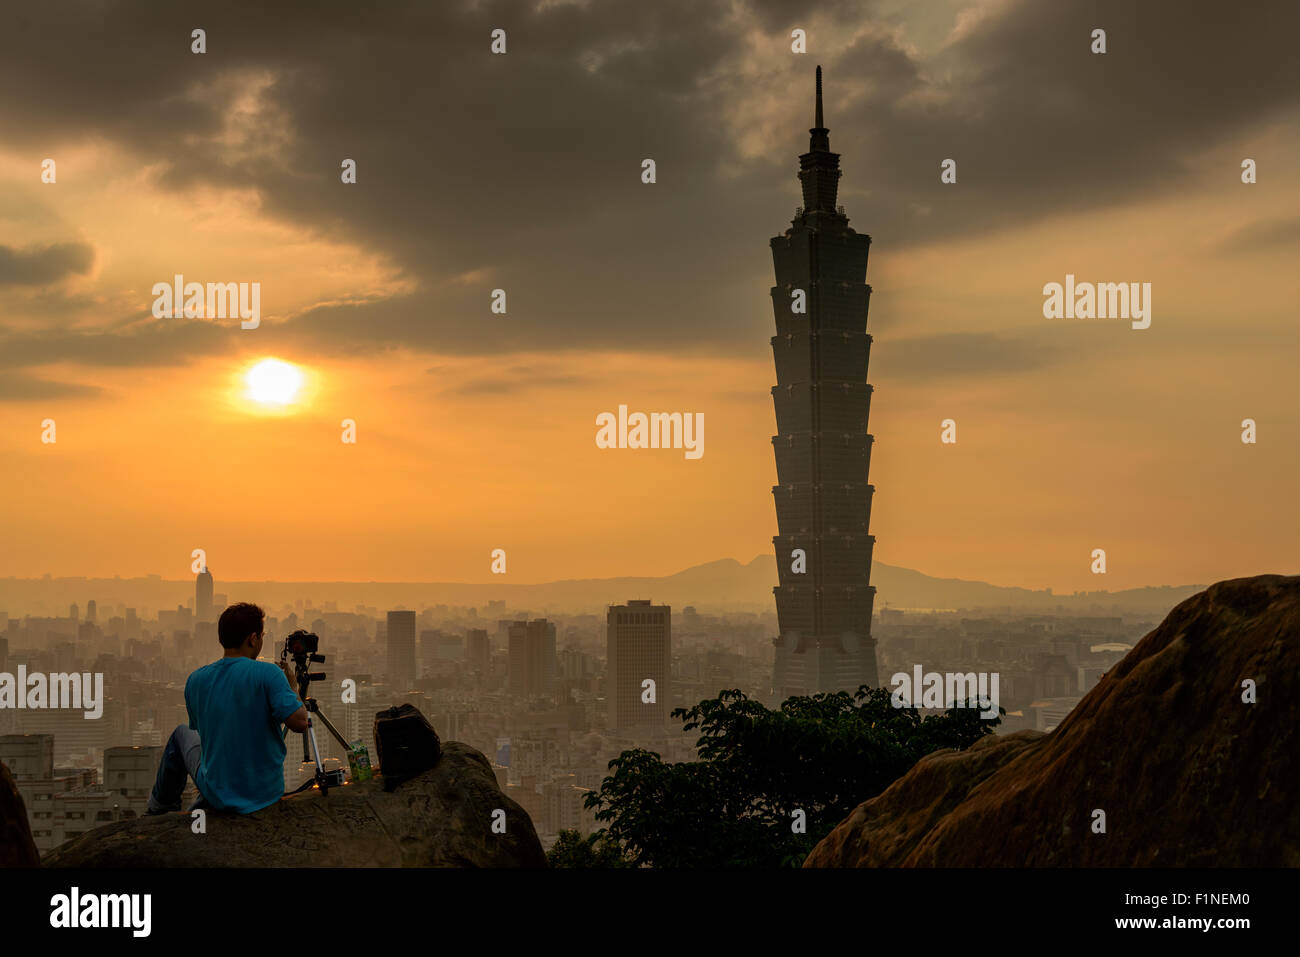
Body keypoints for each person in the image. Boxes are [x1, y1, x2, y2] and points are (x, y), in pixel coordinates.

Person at [146, 602, 309, 815]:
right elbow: (301, 723)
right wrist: (293, 688)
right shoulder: (269, 674)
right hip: (265, 794)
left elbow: (202, 731)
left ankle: (158, 811)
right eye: (261, 635)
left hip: (217, 795)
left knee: (182, 734)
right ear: (253, 639)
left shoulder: (196, 680)